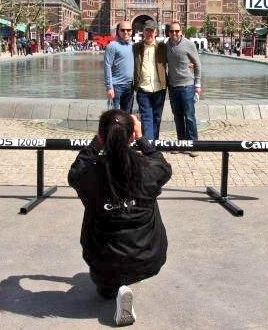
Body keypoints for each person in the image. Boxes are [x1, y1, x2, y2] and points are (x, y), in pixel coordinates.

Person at [68, 110, 172, 326]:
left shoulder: (89, 174)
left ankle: (114, 287)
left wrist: (96, 144)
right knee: (148, 203)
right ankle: (128, 278)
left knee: (104, 287)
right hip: (148, 257)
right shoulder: (148, 170)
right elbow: (163, 166)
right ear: (132, 135)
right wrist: (142, 138)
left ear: (101, 136)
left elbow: (76, 171)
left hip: (102, 259)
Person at [165, 22, 202, 156]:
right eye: (172, 31)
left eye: (177, 31)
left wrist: (197, 85)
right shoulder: (167, 45)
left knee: (189, 116)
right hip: (173, 86)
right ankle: (181, 143)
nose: (174, 33)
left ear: (181, 31)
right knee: (178, 116)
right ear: (168, 33)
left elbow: (197, 64)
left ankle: (193, 145)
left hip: (187, 85)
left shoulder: (189, 44)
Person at [133, 20, 167, 140]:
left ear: (156, 32)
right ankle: (149, 146)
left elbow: (175, 57)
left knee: (157, 118)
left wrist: (189, 63)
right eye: (147, 30)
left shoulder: (162, 47)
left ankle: (154, 144)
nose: (149, 33)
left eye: (151, 31)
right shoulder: (136, 47)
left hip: (159, 89)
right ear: (143, 32)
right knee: (147, 118)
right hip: (143, 89)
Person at [104, 21, 134, 112]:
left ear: (132, 31)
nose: (126, 32)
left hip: (130, 86)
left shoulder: (132, 46)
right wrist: (109, 87)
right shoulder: (112, 46)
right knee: (115, 115)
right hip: (116, 86)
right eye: (123, 30)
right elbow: (107, 67)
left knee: (127, 115)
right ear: (118, 31)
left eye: (128, 30)